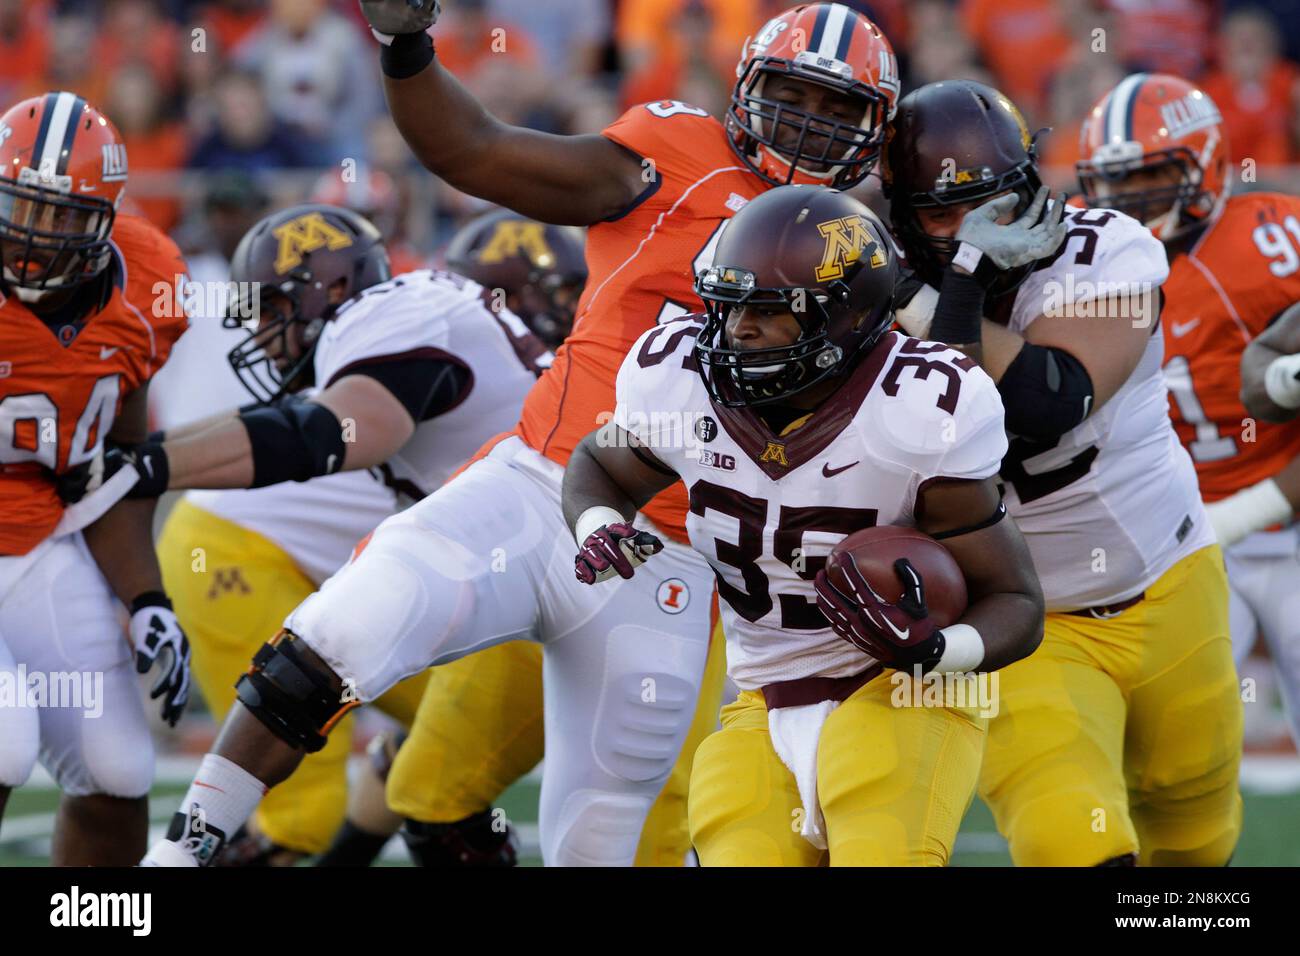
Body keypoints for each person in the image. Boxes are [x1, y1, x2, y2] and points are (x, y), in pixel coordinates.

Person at [139, 0, 904, 867]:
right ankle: (175, 863)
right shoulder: (681, 155)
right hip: (537, 486)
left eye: (843, 110)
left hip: (668, 558)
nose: (813, 122)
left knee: (600, 841)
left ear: (876, 133)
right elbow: (476, 150)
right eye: (799, 94)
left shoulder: (866, 258)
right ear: (748, 89)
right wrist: (405, 47)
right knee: (330, 640)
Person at [561, 184, 1044, 865]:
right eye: (728, 308)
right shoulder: (680, 377)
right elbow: (600, 464)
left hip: (901, 690)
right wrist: (599, 525)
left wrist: (935, 653)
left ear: (848, 316)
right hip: (763, 696)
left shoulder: (919, 409)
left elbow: (1017, 602)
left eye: (768, 312)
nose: (738, 332)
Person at [889, 79, 1243, 866]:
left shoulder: (1109, 247)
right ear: (902, 219)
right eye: (941, 214)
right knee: (1067, 839)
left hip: (1169, 578)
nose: (967, 230)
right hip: (1021, 620)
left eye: (989, 205)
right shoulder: (874, 297)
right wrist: (956, 282)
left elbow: (1048, 400)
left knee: (1197, 836)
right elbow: (951, 424)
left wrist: (936, 292)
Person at [0, 92, 190, 864]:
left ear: (107, 223)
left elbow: (115, 469)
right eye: (20, 209)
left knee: (118, 769)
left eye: (62, 219)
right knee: (4, 740)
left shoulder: (147, 288)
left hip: (40, 538)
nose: (33, 241)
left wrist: (145, 600)